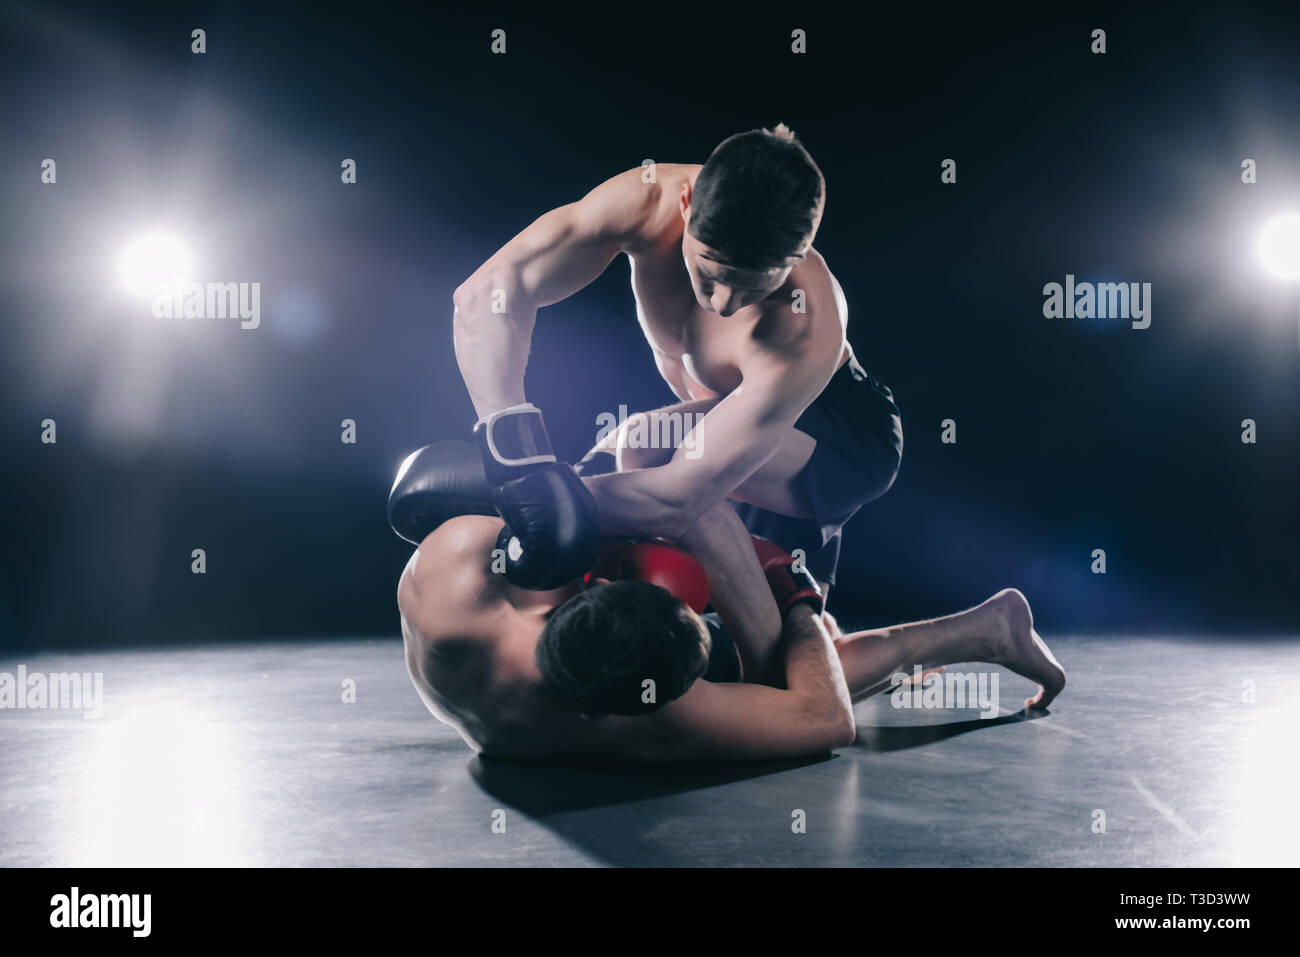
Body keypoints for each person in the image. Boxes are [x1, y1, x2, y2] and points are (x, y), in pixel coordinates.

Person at [452, 124, 903, 624]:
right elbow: (490, 291)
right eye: (711, 271)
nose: (725, 303)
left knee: (644, 443)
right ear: (686, 205)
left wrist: (523, 494)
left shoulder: (805, 325)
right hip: (734, 428)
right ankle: (991, 627)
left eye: (752, 286)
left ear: (797, 257)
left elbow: (673, 499)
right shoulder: (647, 202)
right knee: (790, 657)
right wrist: (512, 451)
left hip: (840, 439)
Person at [388, 442, 1066, 763]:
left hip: (529, 678)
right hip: (580, 698)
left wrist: (595, 492)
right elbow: (825, 717)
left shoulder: (448, 562)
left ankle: (988, 630)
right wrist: (795, 593)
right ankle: (988, 630)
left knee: (640, 475)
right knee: (773, 676)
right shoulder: (640, 720)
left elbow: (544, 495)